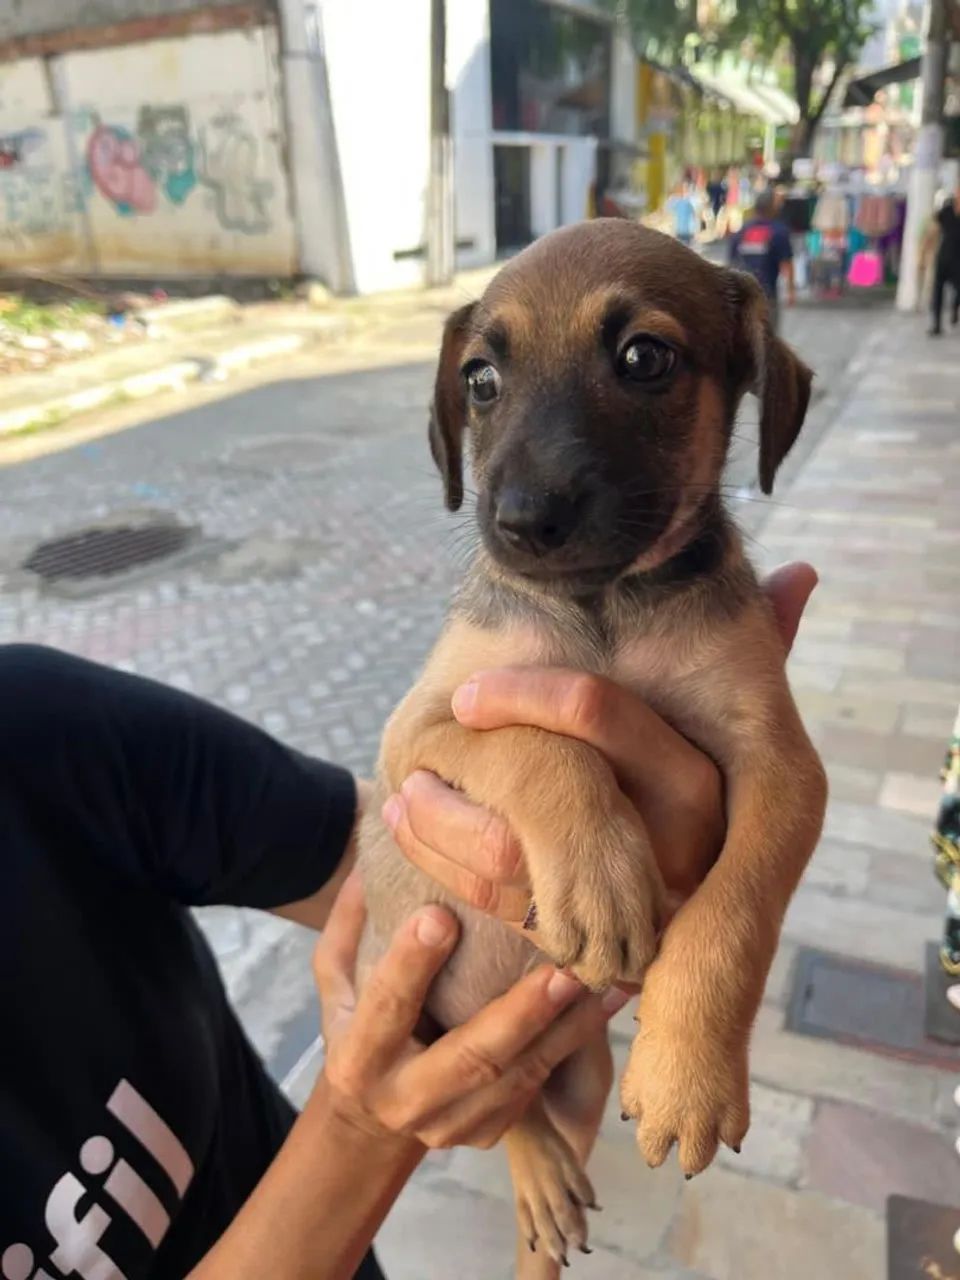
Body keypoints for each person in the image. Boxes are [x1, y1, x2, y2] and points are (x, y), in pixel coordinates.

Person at [1, 564, 816, 1279]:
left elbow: (399, 820)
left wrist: (666, 885)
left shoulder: (37, 732)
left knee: (570, 1122)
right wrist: (365, 1123)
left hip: (484, 1031)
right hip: (421, 1106)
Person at [728, 187, 796, 331]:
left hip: (743, 294)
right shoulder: (779, 231)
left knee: (746, 335)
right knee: (768, 335)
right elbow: (786, 264)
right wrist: (790, 290)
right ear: (772, 207)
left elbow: (731, 264)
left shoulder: (742, 231)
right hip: (767, 293)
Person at [923, 183, 960, 337]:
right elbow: (934, 224)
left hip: (958, 258)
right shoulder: (947, 209)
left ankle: (955, 308)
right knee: (937, 291)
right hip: (944, 255)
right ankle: (936, 325)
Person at [666, 182, 699, 247]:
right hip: (682, 231)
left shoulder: (685, 202)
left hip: (685, 231)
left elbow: (694, 216)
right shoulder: (677, 201)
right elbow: (694, 215)